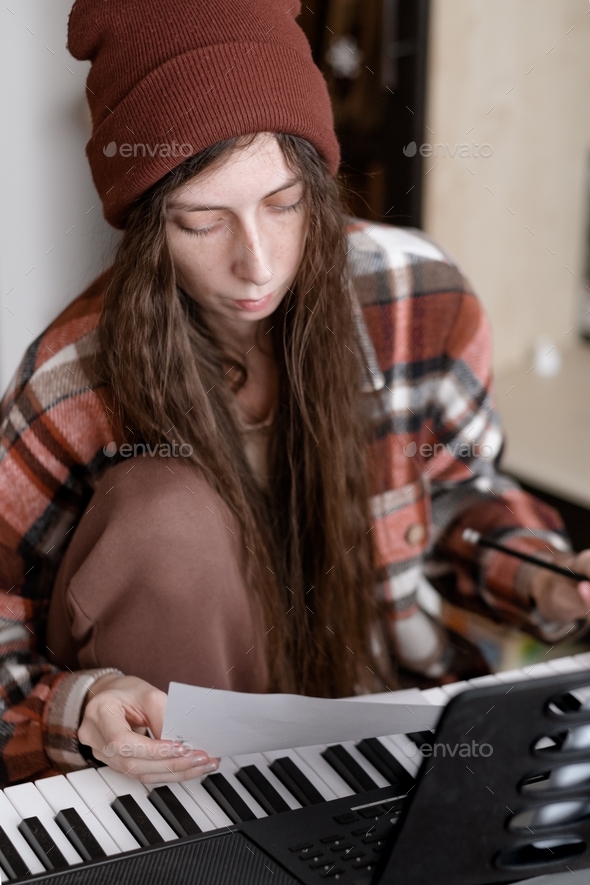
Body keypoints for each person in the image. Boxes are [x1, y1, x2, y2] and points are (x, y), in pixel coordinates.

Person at [0, 0, 589, 791]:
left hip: (387, 704)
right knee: (167, 513)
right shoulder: (68, 380)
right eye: (202, 221)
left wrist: (547, 576)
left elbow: (455, 499)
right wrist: (84, 704)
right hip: (183, 762)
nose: (259, 264)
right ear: (144, 226)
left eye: (285, 203)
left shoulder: (419, 298)